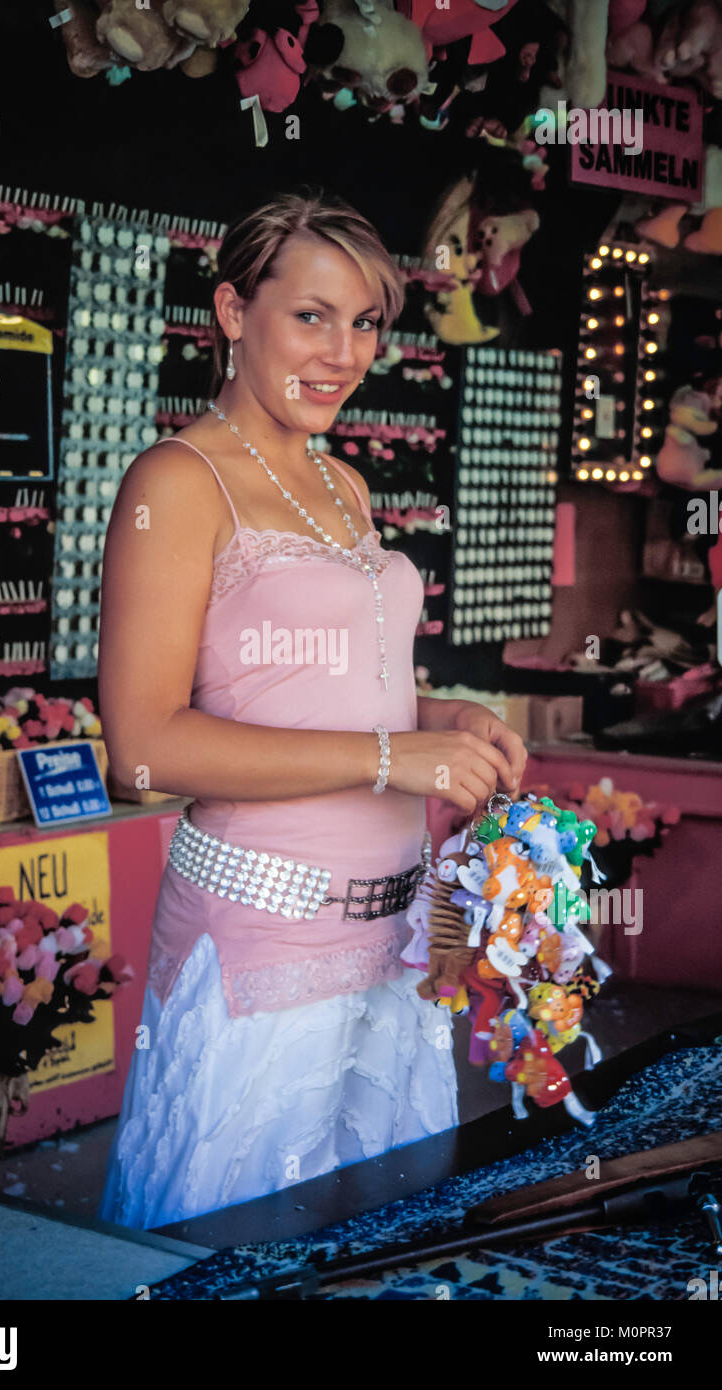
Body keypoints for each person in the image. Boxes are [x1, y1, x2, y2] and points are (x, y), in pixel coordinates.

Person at [96, 189, 527, 1231]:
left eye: (367, 321)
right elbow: (144, 749)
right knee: (235, 1246)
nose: (344, 353)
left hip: (395, 936)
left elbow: (328, 685)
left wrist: (444, 715)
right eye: (311, 315)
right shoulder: (177, 480)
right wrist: (394, 754)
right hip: (261, 945)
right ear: (234, 312)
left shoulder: (343, 485)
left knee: (378, 1240)